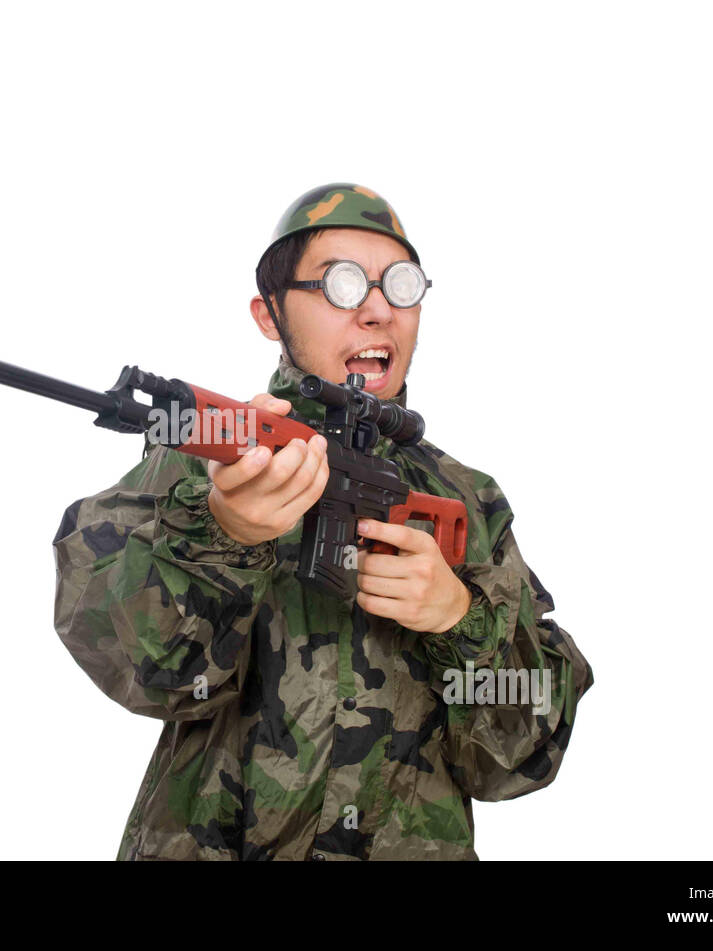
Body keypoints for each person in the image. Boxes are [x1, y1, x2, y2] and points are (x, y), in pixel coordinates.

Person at [52, 183, 593, 860]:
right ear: (269, 314)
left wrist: (462, 619)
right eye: (341, 285)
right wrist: (220, 532)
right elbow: (147, 674)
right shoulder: (201, 465)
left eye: (400, 285)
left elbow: (520, 758)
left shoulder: (471, 500)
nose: (376, 310)